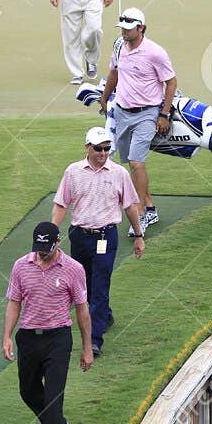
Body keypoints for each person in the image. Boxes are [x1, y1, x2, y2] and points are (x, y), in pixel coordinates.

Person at [2, 222, 93, 424]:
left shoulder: (73, 269)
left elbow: (82, 310)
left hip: (58, 339)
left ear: (58, 242)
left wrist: (87, 348)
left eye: (47, 248)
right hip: (28, 338)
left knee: (53, 399)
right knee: (27, 391)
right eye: (39, 248)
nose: (42, 253)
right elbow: (14, 302)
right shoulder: (21, 266)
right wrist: (6, 336)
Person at [51, 125, 144, 356]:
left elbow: (130, 206)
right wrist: (53, 233)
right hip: (79, 236)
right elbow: (61, 204)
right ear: (87, 147)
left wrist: (138, 235)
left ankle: (94, 339)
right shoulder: (73, 171)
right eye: (98, 149)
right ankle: (106, 315)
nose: (103, 153)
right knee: (84, 284)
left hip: (105, 236)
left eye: (106, 148)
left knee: (100, 285)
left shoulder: (119, 173)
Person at [97, 7, 176, 236]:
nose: (124, 32)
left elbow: (171, 82)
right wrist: (104, 98)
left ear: (141, 28)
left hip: (147, 113)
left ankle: (139, 216)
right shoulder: (118, 46)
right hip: (122, 112)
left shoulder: (155, 53)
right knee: (131, 164)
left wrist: (164, 114)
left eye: (128, 28)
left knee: (136, 162)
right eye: (122, 27)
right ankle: (150, 208)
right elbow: (114, 73)